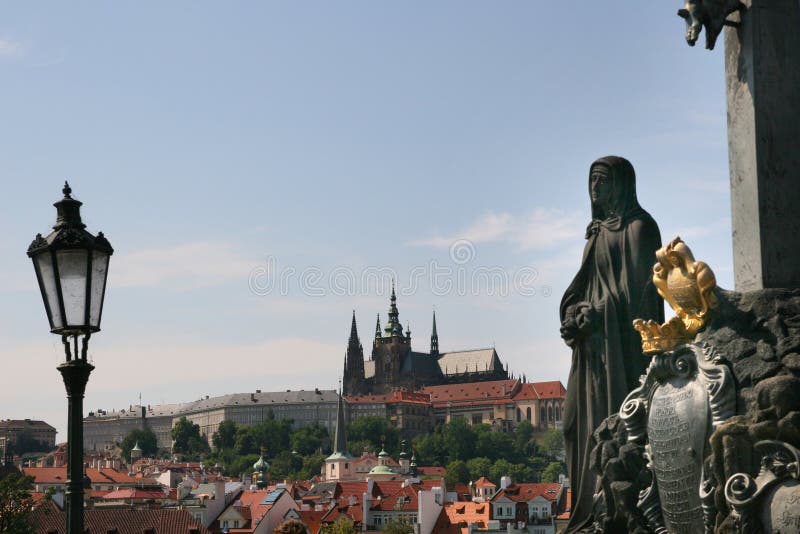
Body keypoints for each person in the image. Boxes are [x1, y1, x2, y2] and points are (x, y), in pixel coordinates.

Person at [560, 156, 663, 532]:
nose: (595, 188)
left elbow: (641, 302)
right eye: (592, 181)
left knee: (613, 433)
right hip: (591, 351)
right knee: (572, 427)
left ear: (621, 184)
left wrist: (599, 310)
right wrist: (574, 314)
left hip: (622, 354)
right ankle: (587, 509)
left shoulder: (640, 228)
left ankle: (614, 512)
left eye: (602, 180)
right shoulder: (597, 233)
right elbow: (581, 288)